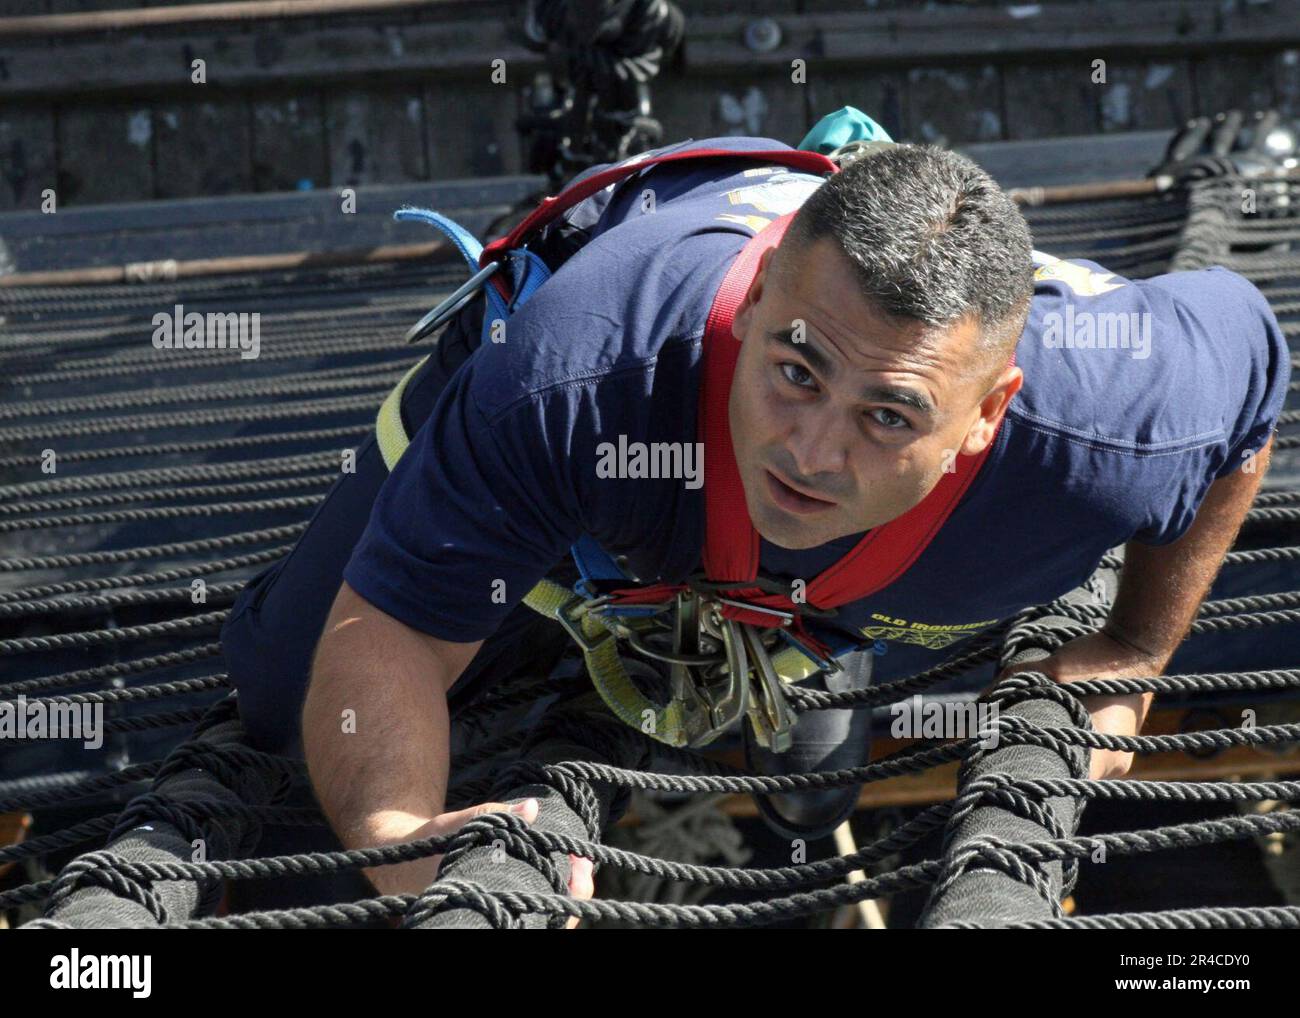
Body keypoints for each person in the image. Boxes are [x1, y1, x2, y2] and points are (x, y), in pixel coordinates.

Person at [220, 134, 1291, 912]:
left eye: (887, 414)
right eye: (795, 370)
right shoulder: (575, 376)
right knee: (285, 700)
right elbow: (394, 626)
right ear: (766, 283)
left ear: (989, 414)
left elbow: (1251, 366)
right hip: (591, 468)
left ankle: (809, 634)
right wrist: (400, 832)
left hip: (817, 566)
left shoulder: (1100, 426)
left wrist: (1134, 649)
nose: (813, 452)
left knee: (804, 772)